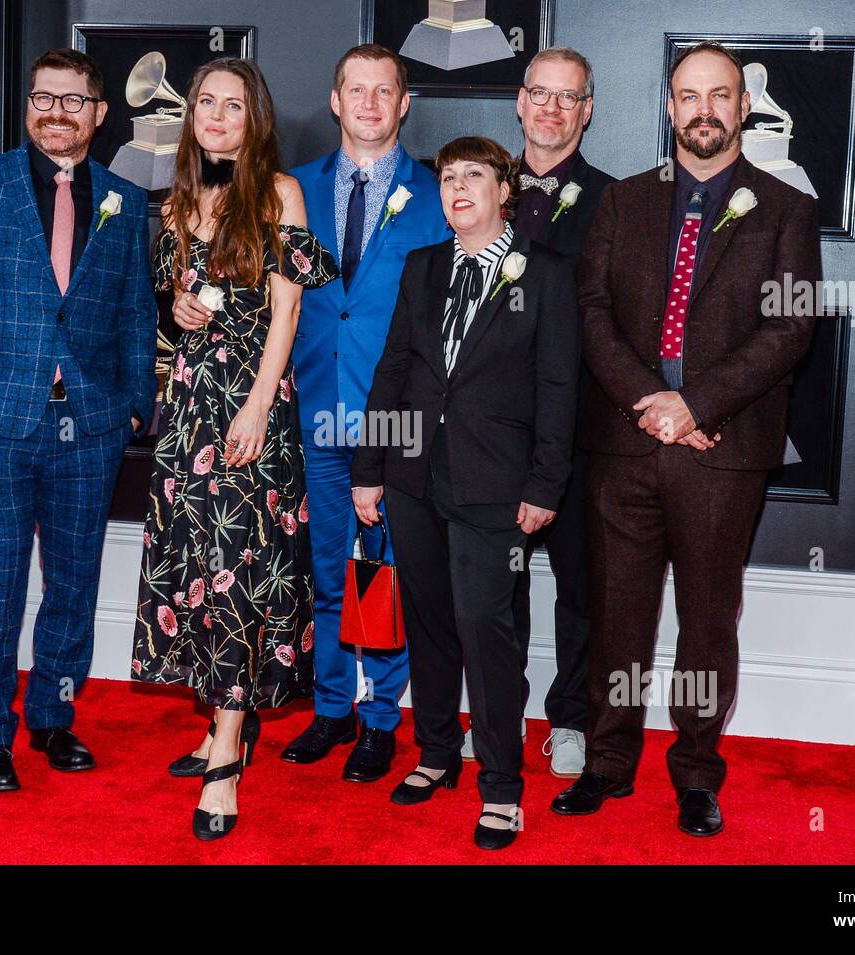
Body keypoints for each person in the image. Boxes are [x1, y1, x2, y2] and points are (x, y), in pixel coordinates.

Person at [561, 42, 820, 835]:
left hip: (723, 449)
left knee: (708, 621)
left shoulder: (786, 209)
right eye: (687, 95)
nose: (702, 109)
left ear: (742, 107)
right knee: (617, 616)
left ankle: (698, 774)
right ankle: (608, 762)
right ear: (669, 107)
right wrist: (652, 401)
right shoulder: (624, 202)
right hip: (626, 441)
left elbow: (789, 328)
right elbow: (594, 312)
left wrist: (694, 404)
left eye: (719, 95)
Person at [0, 48, 156, 792]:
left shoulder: (125, 199)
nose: (57, 112)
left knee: (75, 581)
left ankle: (53, 716)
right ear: (28, 107)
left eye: (74, 100)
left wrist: (135, 404)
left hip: (90, 427)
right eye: (44, 98)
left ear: (100, 114)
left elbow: (137, 312)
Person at [130, 57, 337, 841]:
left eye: (233, 105)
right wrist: (178, 309)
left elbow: (286, 314)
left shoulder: (279, 193)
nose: (217, 115)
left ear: (256, 120)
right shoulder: (182, 201)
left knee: (243, 570)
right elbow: (175, 304)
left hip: (252, 407)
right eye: (206, 103)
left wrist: (255, 406)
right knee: (197, 568)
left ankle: (225, 754)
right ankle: (226, 720)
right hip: (186, 409)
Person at [351, 137, 578, 849]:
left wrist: (546, 483)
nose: (457, 188)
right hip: (413, 474)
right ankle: (439, 752)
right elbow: (392, 369)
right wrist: (369, 466)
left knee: (486, 626)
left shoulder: (545, 274)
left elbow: (559, 387)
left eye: (473, 176)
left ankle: (503, 787)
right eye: (448, 177)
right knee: (430, 622)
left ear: (504, 190)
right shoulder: (422, 267)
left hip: (498, 482)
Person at [281, 44, 447, 781]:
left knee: (384, 573)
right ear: (335, 99)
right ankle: (330, 710)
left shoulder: (441, 193)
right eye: (358, 89)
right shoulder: (293, 190)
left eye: (386, 90)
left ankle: (381, 718)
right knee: (324, 569)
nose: (372, 102)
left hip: (396, 423)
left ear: (404, 104)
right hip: (314, 408)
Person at [460, 46, 617, 778]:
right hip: (491, 439)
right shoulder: (481, 188)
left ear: (587, 111)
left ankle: (572, 719)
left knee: (582, 589)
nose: (552, 110)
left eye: (569, 98)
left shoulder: (617, 203)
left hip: (581, 433)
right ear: (520, 104)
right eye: (540, 95)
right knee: (497, 588)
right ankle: (498, 714)